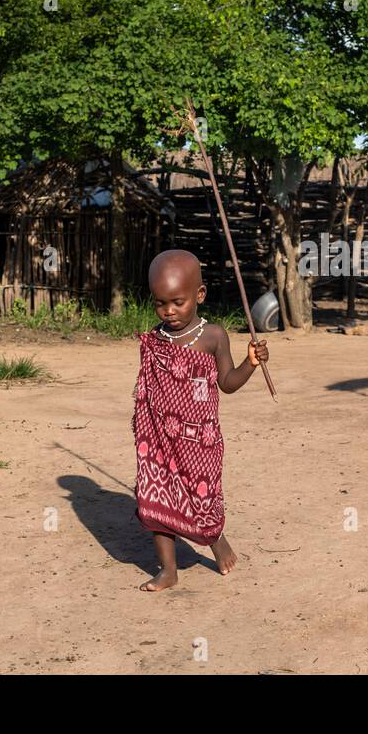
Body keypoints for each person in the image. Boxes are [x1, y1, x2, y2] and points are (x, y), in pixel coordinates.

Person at [130, 249, 269, 591]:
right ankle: (168, 570)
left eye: (178, 302)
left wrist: (250, 363)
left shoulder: (213, 336)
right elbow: (148, 389)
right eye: (160, 303)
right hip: (158, 438)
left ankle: (215, 540)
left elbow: (227, 384)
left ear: (200, 295)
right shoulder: (154, 339)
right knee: (155, 499)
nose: (169, 311)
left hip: (199, 441)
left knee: (201, 499)